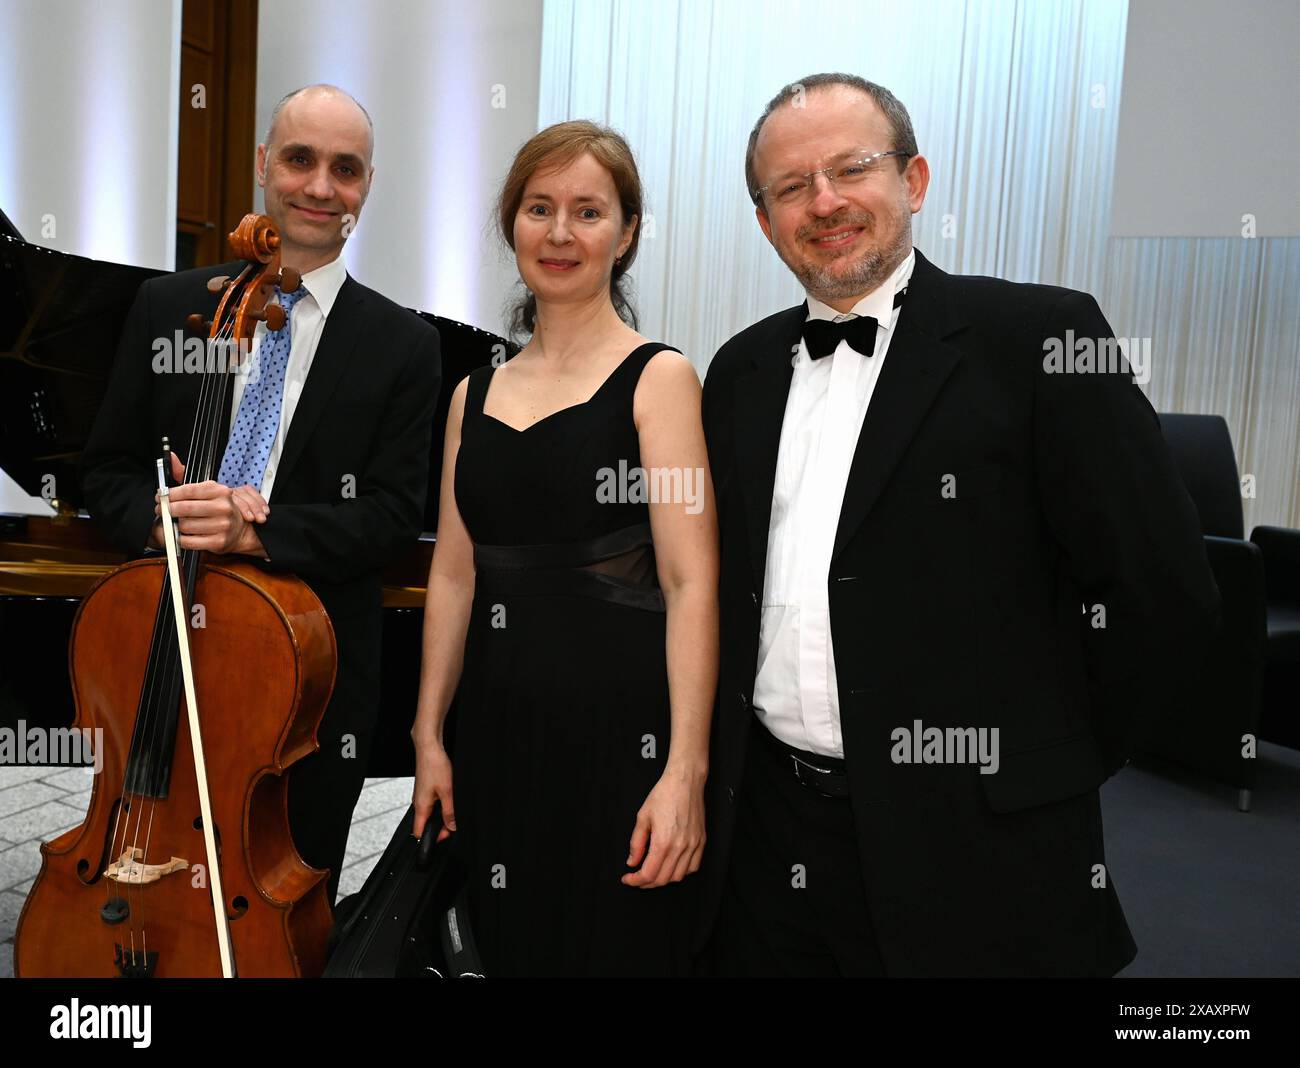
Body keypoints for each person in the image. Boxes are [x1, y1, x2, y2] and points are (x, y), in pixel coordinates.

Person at [697, 73, 1220, 976]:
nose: (823, 202)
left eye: (851, 168)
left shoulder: (1046, 335)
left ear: (916, 180)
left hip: (985, 846)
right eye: (790, 187)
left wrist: (1052, 763)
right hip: (772, 842)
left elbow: (1160, 590)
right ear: (764, 219)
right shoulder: (739, 371)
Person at [81, 84, 441, 909]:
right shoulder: (172, 309)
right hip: (161, 651)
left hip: (311, 683)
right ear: (261, 166)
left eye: (344, 169)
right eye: (300, 159)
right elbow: (103, 472)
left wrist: (256, 534)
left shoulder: (403, 346)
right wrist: (168, 518)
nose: (320, 186)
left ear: (367, 186)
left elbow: (391, 517)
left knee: (288, 892)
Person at [410, 120, 717, 976]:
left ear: (627, 234)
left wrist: (684, 770)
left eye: (588, 211)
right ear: (512, 224)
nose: (559, 233)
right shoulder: (471, 393)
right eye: (538, 208)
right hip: (498, 729)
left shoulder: (662, 380)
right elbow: (453, 572)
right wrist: (429, 734)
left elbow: (692, 583)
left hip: (624, 737)